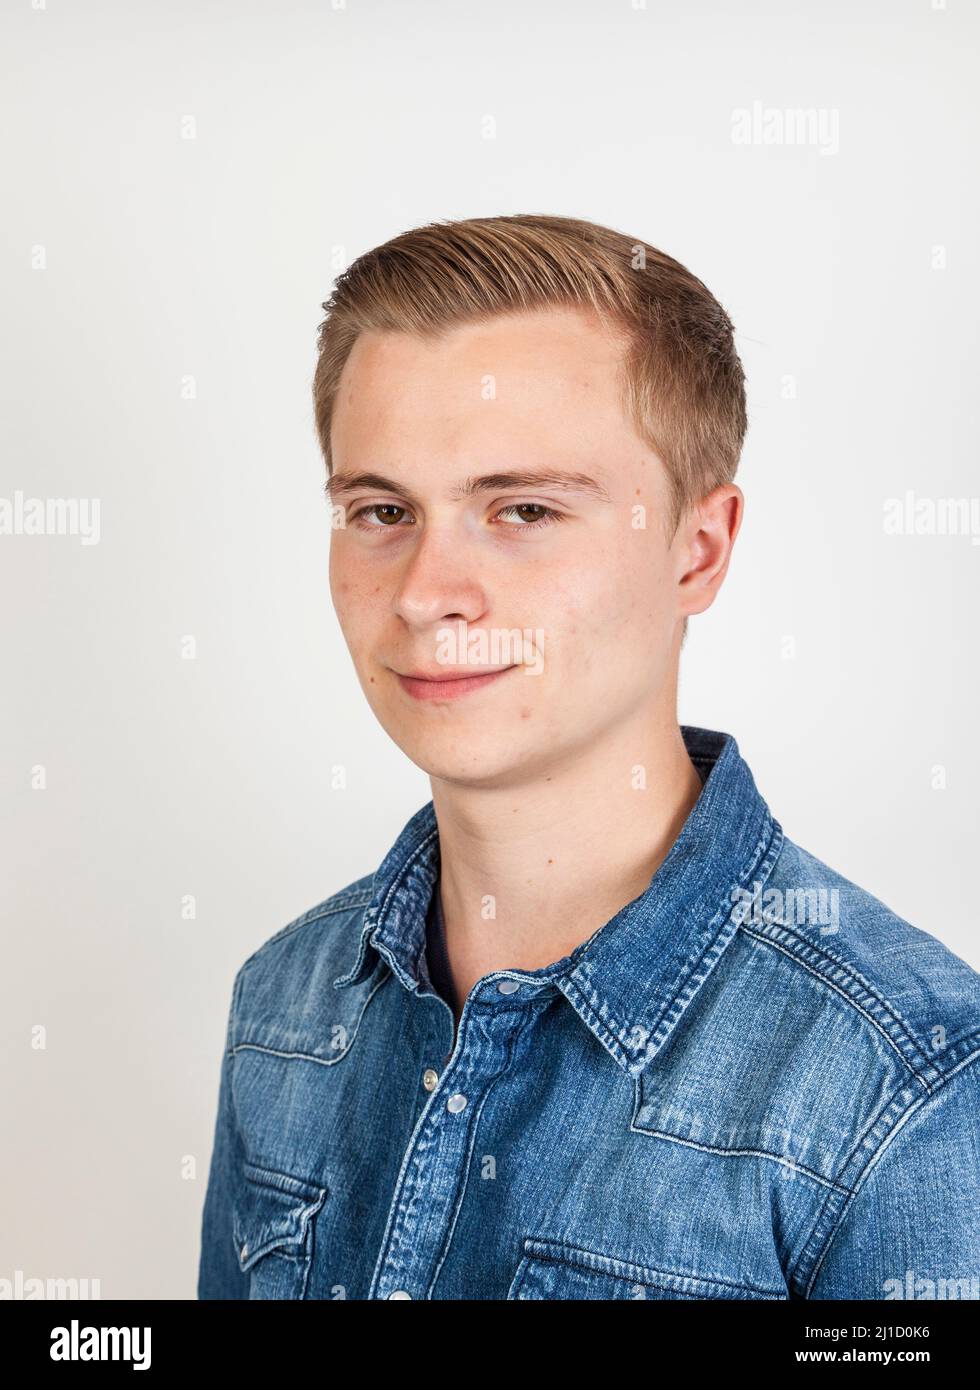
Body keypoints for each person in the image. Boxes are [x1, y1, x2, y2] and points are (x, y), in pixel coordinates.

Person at [198, 214, 980, 1301]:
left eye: (521, 508)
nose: (426, 592)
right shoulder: (287, 1002)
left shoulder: (908, 1081)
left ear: (695, 550)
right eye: (381, 509)